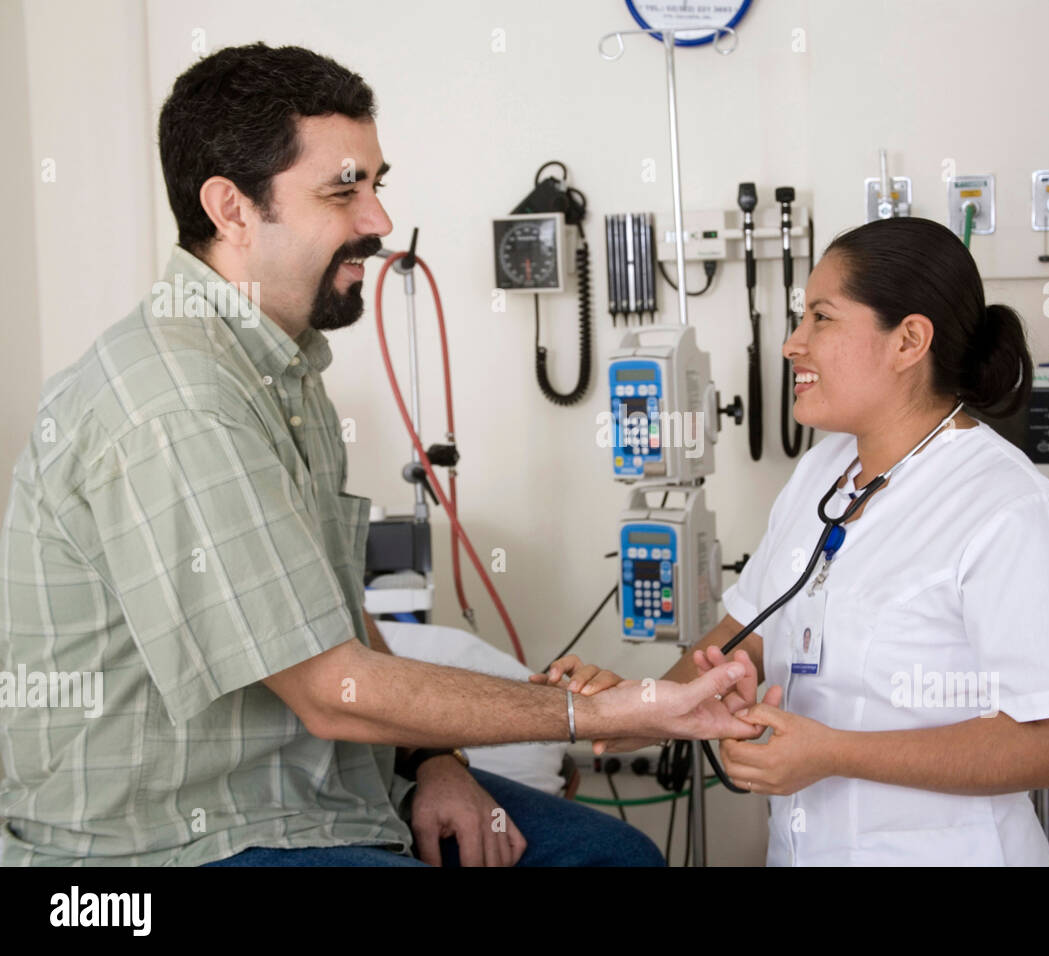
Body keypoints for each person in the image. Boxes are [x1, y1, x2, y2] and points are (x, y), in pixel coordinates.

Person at [0, 43, 761, 868]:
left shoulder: (281, 371)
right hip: (175, 839)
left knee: (613, 860)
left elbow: (330, 616)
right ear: (231, 209)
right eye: (343, 191)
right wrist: (612, 715)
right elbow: (332, 692)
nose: (379, 221)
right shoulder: (175, 400)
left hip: (319, 793)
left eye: (376, 184)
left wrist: (434, 759)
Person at [535, 216, 1049, 866]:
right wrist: (637, 709)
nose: (792, 344)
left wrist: (834, 752)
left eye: (821, 318)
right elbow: (746, 627)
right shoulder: (823, 469)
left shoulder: (1009, 510)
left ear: (908, 340)